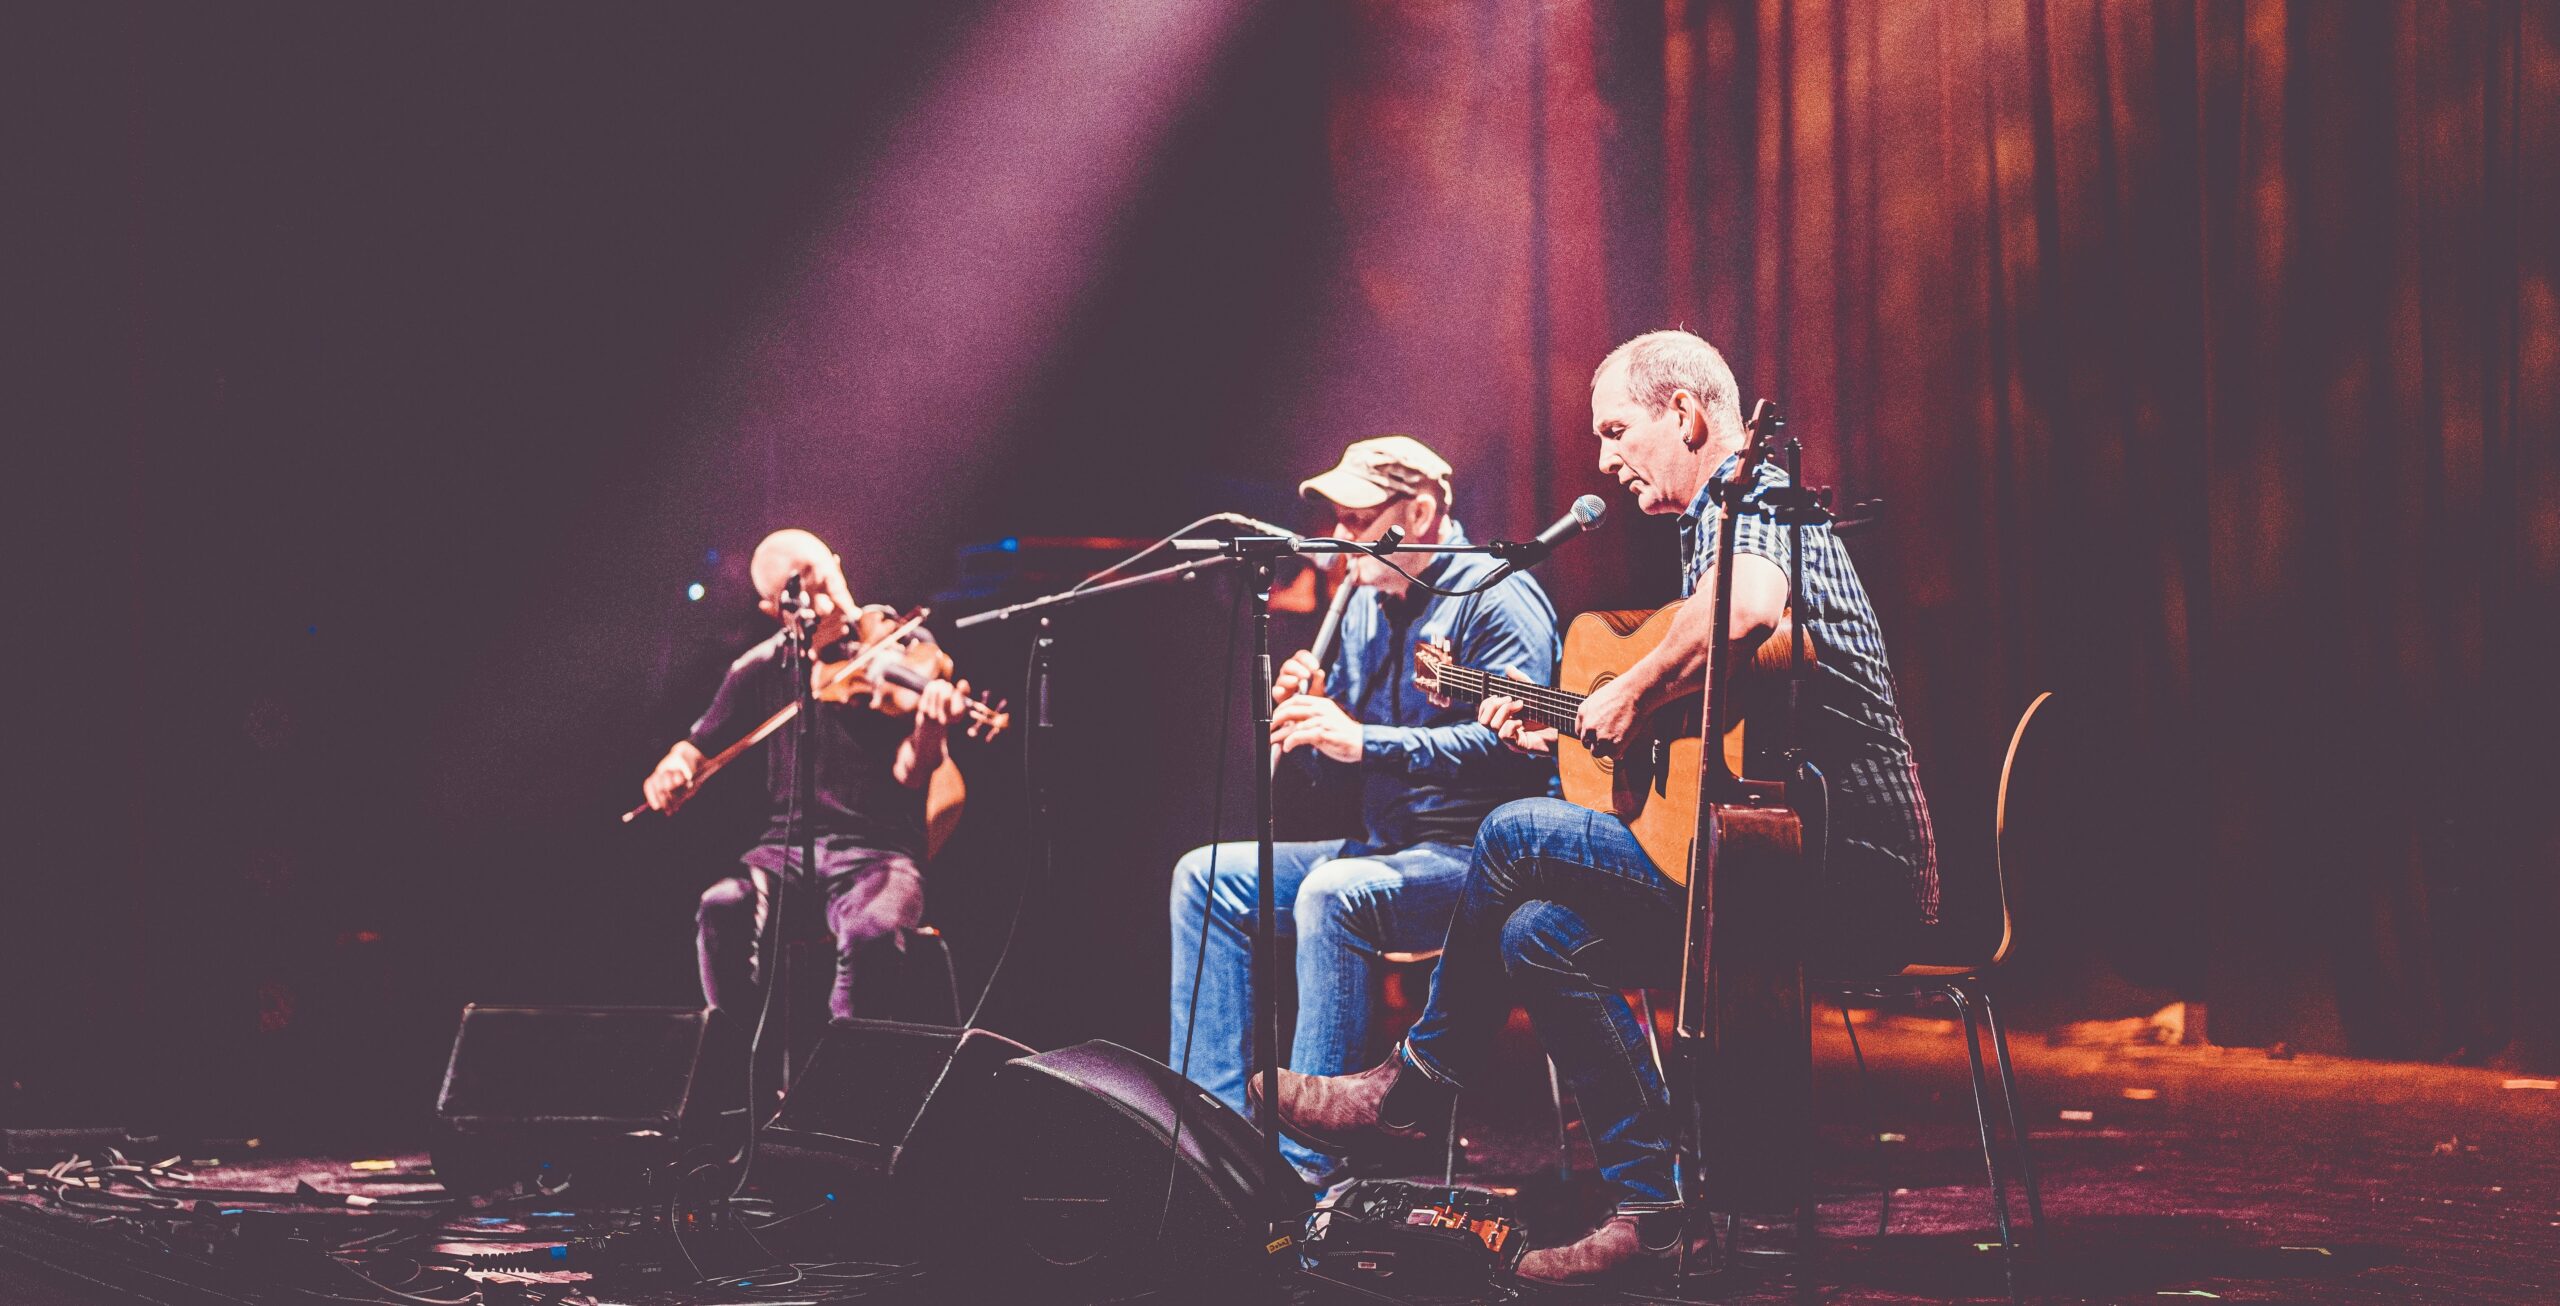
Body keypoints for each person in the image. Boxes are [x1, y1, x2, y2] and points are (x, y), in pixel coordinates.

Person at [1260, 331, 1940, 1285]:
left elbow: (1744, 611)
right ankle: (1658, 1219)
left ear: (1688, 415)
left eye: (1618, 430)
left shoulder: (1757, 503)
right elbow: (1719, 728)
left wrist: (1628, 694)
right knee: (1539, 933)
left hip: (1839, 873)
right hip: (1758, 858)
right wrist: (1576, 728)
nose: (1603, 459)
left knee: (1509, 832)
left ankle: (1412, 1087)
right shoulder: (1721, 513)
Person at [1169, 435, 1561, 1188]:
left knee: (1331, 894)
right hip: (1386, 845)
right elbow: (1345, 765)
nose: (1339, 543)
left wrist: (1363, 741)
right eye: (1338, 522)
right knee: (1204, 878)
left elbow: (1525, 748)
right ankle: (1213, 1151)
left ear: (1418, 511)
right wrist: (1313, 722)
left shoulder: (1495, 593)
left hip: (1476, 860)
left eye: (1356, 520)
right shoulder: (1362, 603)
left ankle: (1305, 1174)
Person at [640, 528, 975, 1024]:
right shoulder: (760, 667)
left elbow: (911, 773)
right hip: (786, 851)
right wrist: (672, 769)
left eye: (822, 578)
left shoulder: (905, 645)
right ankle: (737, 1057)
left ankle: (838, 1085)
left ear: (838, 564)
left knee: (871, 936)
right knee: (721, 907)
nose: (819, 600)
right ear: (775, 611)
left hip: (878, 851)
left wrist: (930, 726)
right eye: (797, 596)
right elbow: (696, 745)